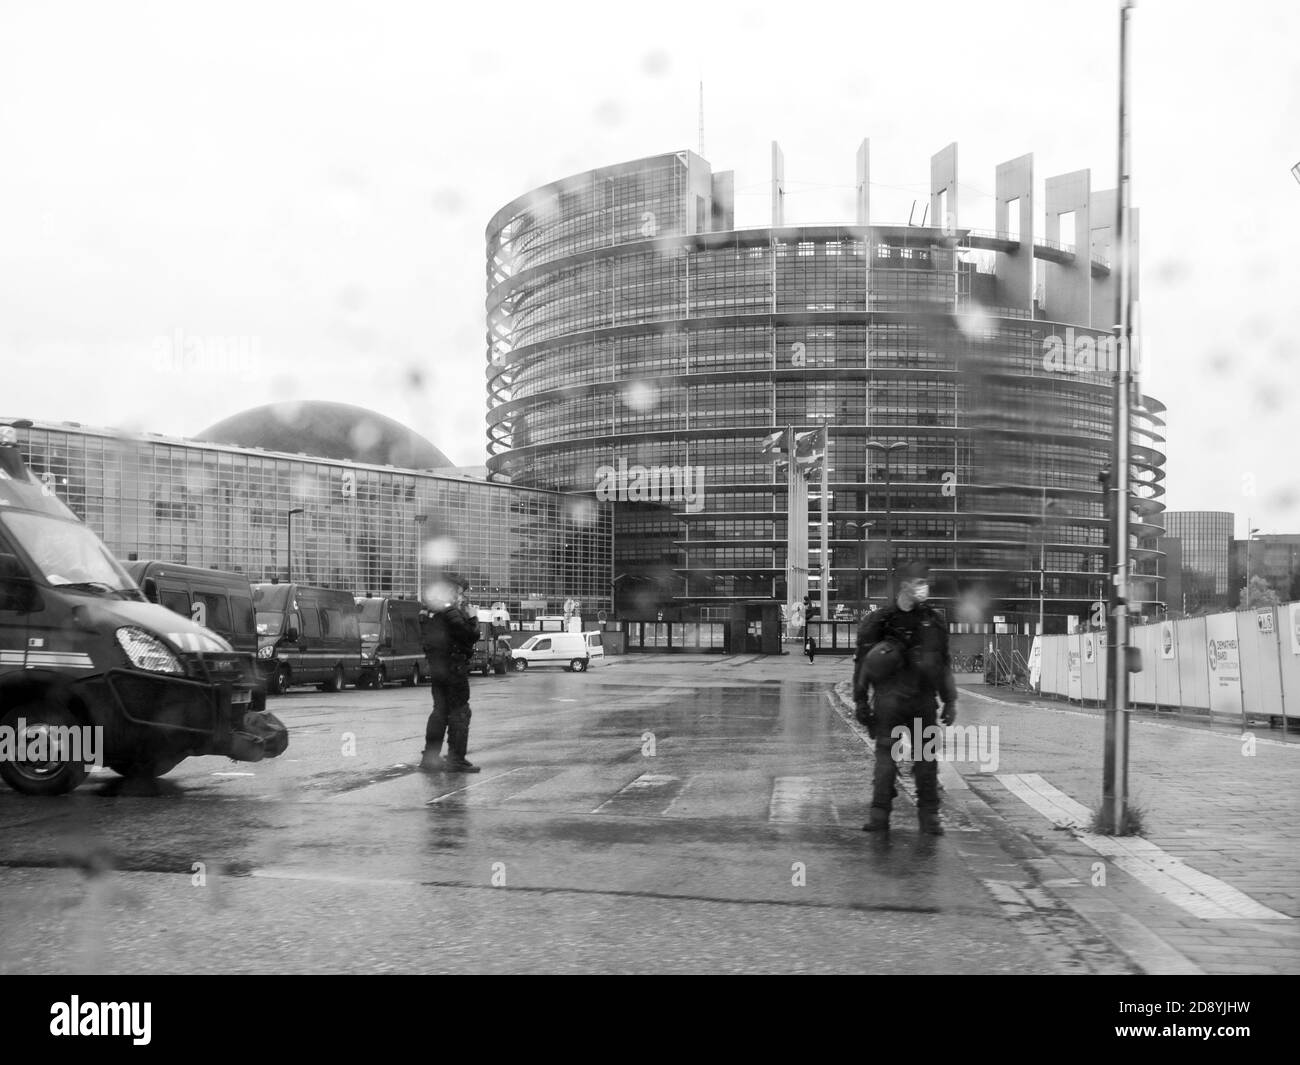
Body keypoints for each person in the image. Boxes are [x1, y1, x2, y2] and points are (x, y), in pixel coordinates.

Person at [852, 561, 957, 835]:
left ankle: (929, 818)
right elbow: (862, 665)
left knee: (925, 760)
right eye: (919, 582)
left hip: (922, 701)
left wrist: (951, 700)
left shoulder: (932, 621)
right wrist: (861, 701)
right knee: (888, 760)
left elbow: (943, 662)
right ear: (904, 586)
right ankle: (879, 816)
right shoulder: (881, 622)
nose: (924, 587)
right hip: (890, 702)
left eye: (925, 581)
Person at [418, 572, 482, 773]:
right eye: (461, 592)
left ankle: (430, 757)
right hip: (454, 669)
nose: (462, 597)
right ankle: (456, 759)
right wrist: (473, 618)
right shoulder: (449, 611)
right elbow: (469, 636)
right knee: (460, 712)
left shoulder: (429, 610)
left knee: (440, 711)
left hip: (438, 669)